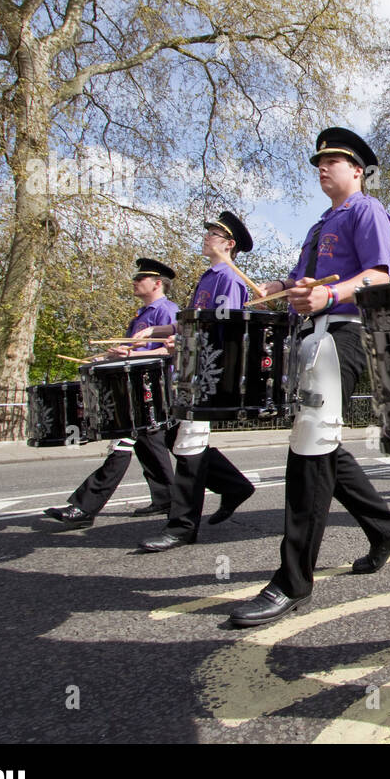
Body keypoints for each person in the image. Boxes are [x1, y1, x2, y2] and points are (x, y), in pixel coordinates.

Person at [227, 128, 390, 626]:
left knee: (308, 443)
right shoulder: (319, 225)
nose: (323, 167)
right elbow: (301, 281)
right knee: (324, 442)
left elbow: (380, 275)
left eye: (334, 160)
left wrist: (330, 296)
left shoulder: (367, 210)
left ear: (358, 171)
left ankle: (292, 582)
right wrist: (275, 287)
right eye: (319, 161)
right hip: (317, 331)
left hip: (345, 332)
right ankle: (387, 527)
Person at [138, 214, 258, 551]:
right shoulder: (208, 277)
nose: (207, 237)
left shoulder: (229, 279)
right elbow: (191, 322)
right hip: (192, 366)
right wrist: (156, 331)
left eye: (214, 234)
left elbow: (226, 329)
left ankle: (181, 527)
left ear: (229, 244)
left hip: (208, 370)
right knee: (180, 436)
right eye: (207, 231)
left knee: (188, 441)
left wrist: (192, 342)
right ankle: (234, 486)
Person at [43, 259, 179, 528]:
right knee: (148, 444)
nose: (135, 282)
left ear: (158, 283)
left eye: (141, 278)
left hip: (151, 389)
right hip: (135, 389)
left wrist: (131, 353)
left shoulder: (167, 311)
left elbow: (171, 351)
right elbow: (134, 353)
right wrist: (111, 357)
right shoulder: (141, 315)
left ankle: (83, 508)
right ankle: (168, 499)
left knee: (123, 445)